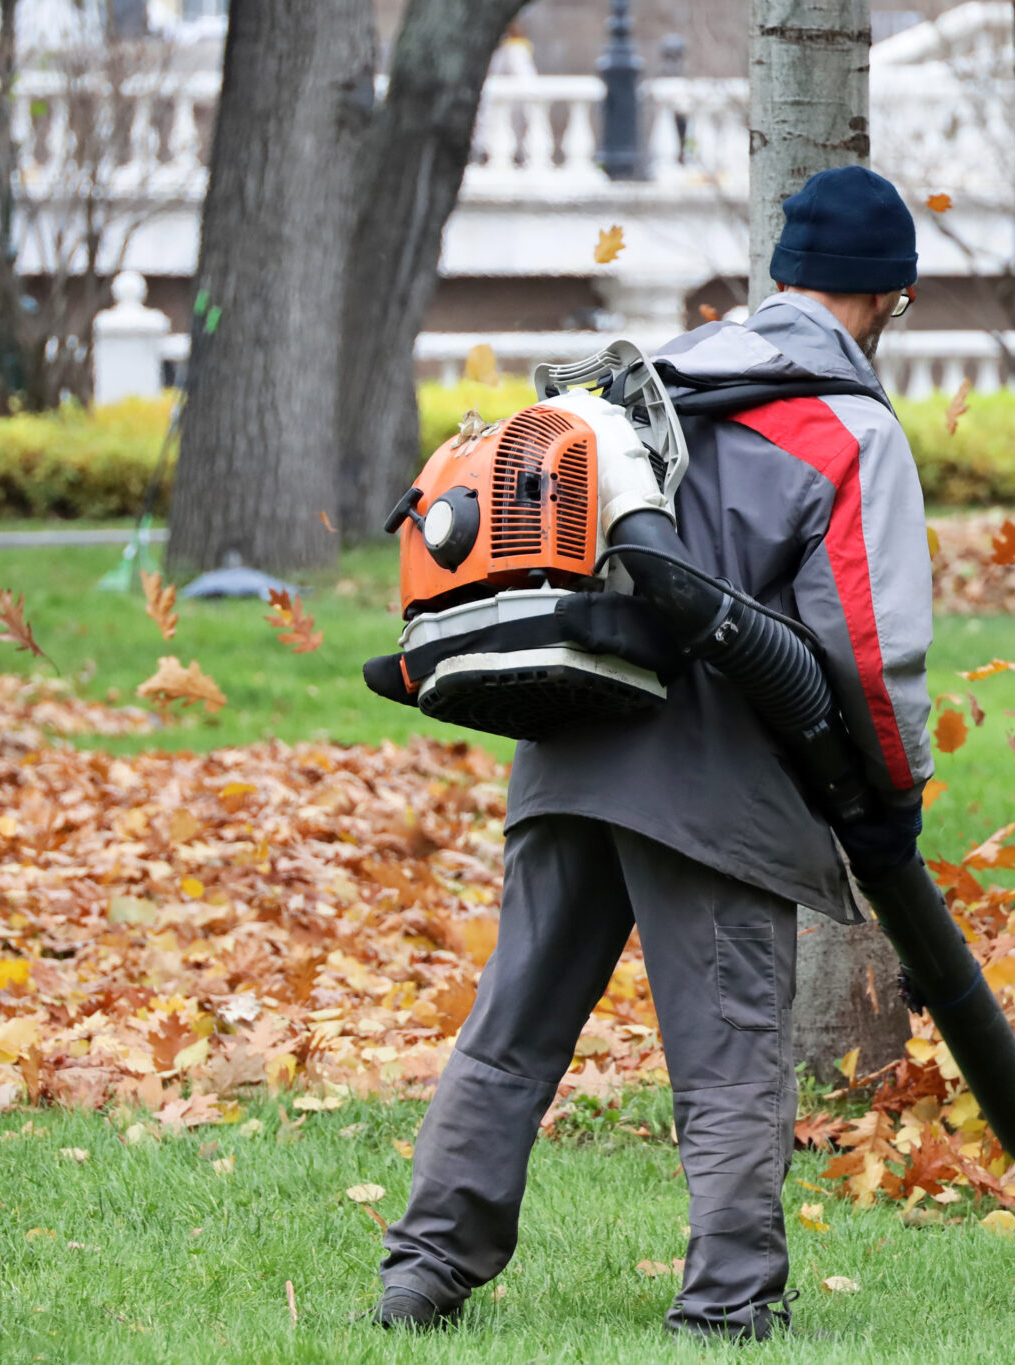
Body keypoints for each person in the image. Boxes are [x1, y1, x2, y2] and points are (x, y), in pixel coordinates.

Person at [373, 165, 934, 1341]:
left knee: (510, 1030)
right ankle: (727, 1310)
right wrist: (891, 795)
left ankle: (421, 1275)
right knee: (728, 1053)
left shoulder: (646, 386)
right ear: (886, 297)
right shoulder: (849, 428)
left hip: (567, 745)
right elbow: (867, 654)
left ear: (782, 275)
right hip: (709, 786)